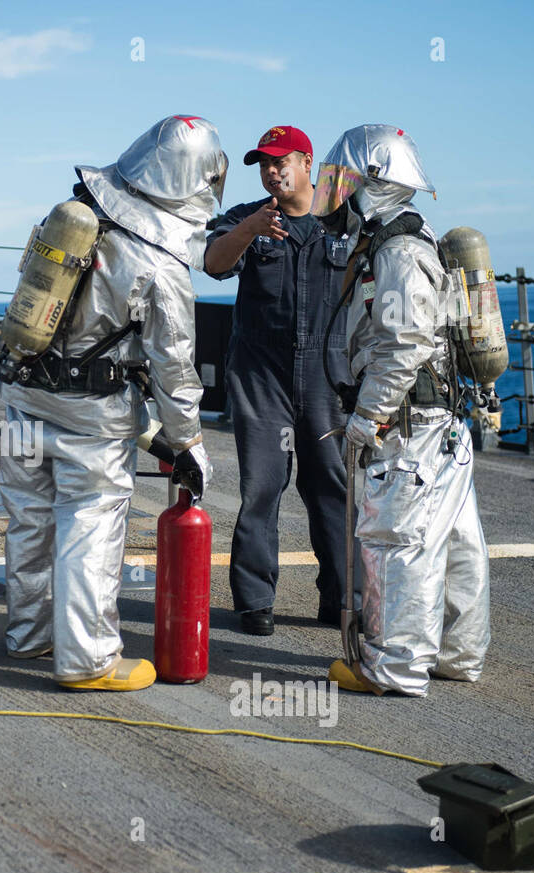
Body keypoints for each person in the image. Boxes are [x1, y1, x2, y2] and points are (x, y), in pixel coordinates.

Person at [0, 115, 224, 691]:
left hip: (25, 387)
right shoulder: (161, 261)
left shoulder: (75, 214)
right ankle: (88, 660)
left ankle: (30, 635)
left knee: (30, 521)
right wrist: (188, 442)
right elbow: (172, 363)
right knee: (90, 524)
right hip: (92, 409)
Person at [310, 123, 491, 695]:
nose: (334, 192)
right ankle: (459, 655)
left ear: (375, 182)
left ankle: (393, 667)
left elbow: (404, 341)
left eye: (343, 179)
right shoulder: (409, 240)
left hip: (409, 427)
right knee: (457, 543)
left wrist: (367, 418)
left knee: (396, 541)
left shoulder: (399, 251)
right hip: (441, 424)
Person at [204, 125, 352, 637]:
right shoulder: (246, 219)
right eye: (264, 164)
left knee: (330, 486)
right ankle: (254, 602)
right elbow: (213, 263)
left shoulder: (344, 222)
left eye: (280, 160)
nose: (271, 171)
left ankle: (341, 599)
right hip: (260, 372)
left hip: (326, 375)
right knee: (262, 487)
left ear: (307, 162)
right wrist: (250, 229)